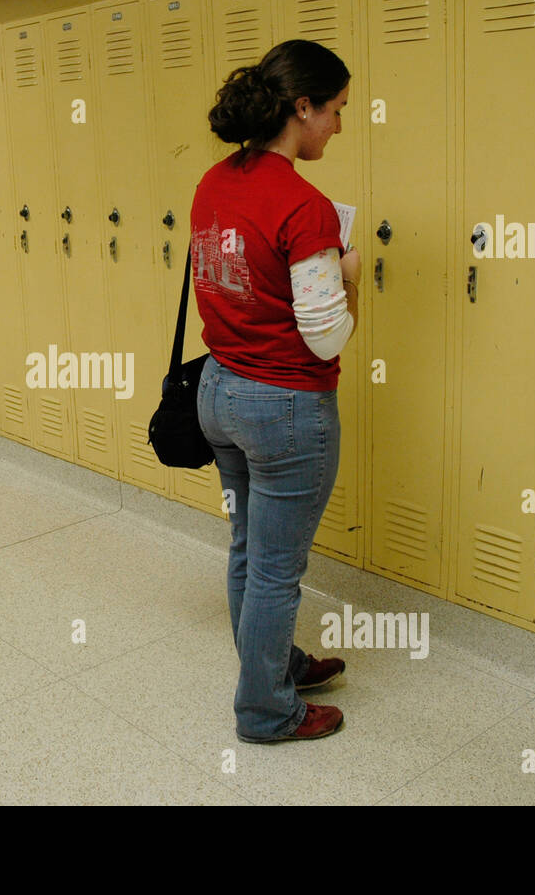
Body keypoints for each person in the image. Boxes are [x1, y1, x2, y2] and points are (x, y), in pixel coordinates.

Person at [192, 40, 359, 743]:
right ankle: (266, 709)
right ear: (303, 107)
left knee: (247, 549)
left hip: (219, 393)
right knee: (275, 571)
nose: (339, 126)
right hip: (283, 408)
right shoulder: (305, 205)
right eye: (337, 110)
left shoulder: (213, 180)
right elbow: (326, 336)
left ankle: (275, 663)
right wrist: (351, 276)